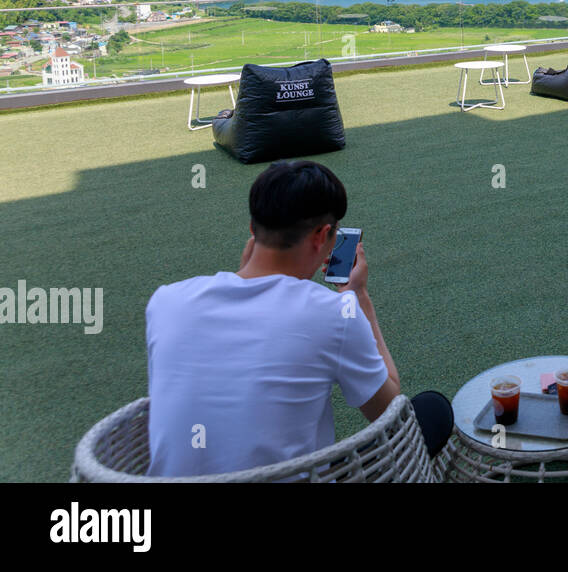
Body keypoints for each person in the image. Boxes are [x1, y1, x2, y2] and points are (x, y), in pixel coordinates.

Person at [145, 161, 453, 477]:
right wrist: (358, 296)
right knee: (431, 411)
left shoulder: (165, 301)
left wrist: (245, 276)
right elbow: (391, 413)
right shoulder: (334, 314)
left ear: (253, 229)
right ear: (322, 236)